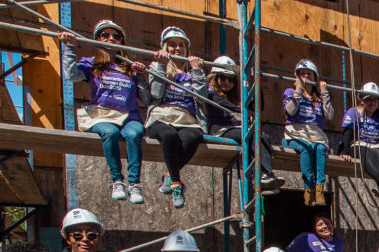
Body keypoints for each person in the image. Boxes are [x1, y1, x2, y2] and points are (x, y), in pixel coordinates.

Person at [59, 23, 149, 204]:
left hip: (128, 116)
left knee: (134, 134)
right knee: (110, 133)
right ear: (98, 40)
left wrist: (140, 76)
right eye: (105, 35)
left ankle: (134, 184)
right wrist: (69, 47)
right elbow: (71, 74)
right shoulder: (92, 63)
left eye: (116, 36)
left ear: (121, 41)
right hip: (102, 114)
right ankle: (117, 181)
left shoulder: (129, 68)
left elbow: (146, 99)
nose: (111, 39)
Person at [198, 55, 284, 194]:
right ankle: (263, 175)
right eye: (223, 78)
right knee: (253, 136)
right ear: (215, 77)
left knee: (263, 137)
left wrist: (255, 82)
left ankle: (265, 177)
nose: (227, 82)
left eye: (231, 79)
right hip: (220, 130)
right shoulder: (210, 93)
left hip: (238, 129)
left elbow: (257, 106)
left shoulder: (236, 96)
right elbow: (224, 104)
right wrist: (243, 111)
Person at [145, 26, 204, 209]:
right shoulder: (157, 66)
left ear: (187, 49)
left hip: (186, 119)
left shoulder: (192, 74)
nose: (177, 48)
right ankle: (177, 184)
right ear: (165, 47)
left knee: (194, 136)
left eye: (181, 45)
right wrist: (161, 66)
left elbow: (202, 98)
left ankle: (170, 176)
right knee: (168, 135)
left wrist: (197, 71)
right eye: (172, 45)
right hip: (161, 117)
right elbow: (155, 93)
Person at [284, 58, 334, 206]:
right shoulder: (291, 92)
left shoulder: (317, 98)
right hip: (295, 135)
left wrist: (324, 93)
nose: (305, 76)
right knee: (306, 148)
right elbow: (290, 111)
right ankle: (308, 188)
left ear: (315, 77)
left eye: (309, 74)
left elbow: (330, 116)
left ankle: (319, 188)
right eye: (302, 74)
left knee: (319, 149)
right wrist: (299, 90)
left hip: (316, 136)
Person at [338, 82, 379, 190]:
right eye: (368, 99)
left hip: (375, 146)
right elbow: (347, 133)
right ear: (362, 100)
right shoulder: (353, 112)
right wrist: (344, 151)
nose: (372, 102)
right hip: (357, 146)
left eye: (375, 100)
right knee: (364, 151)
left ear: (378, 101)